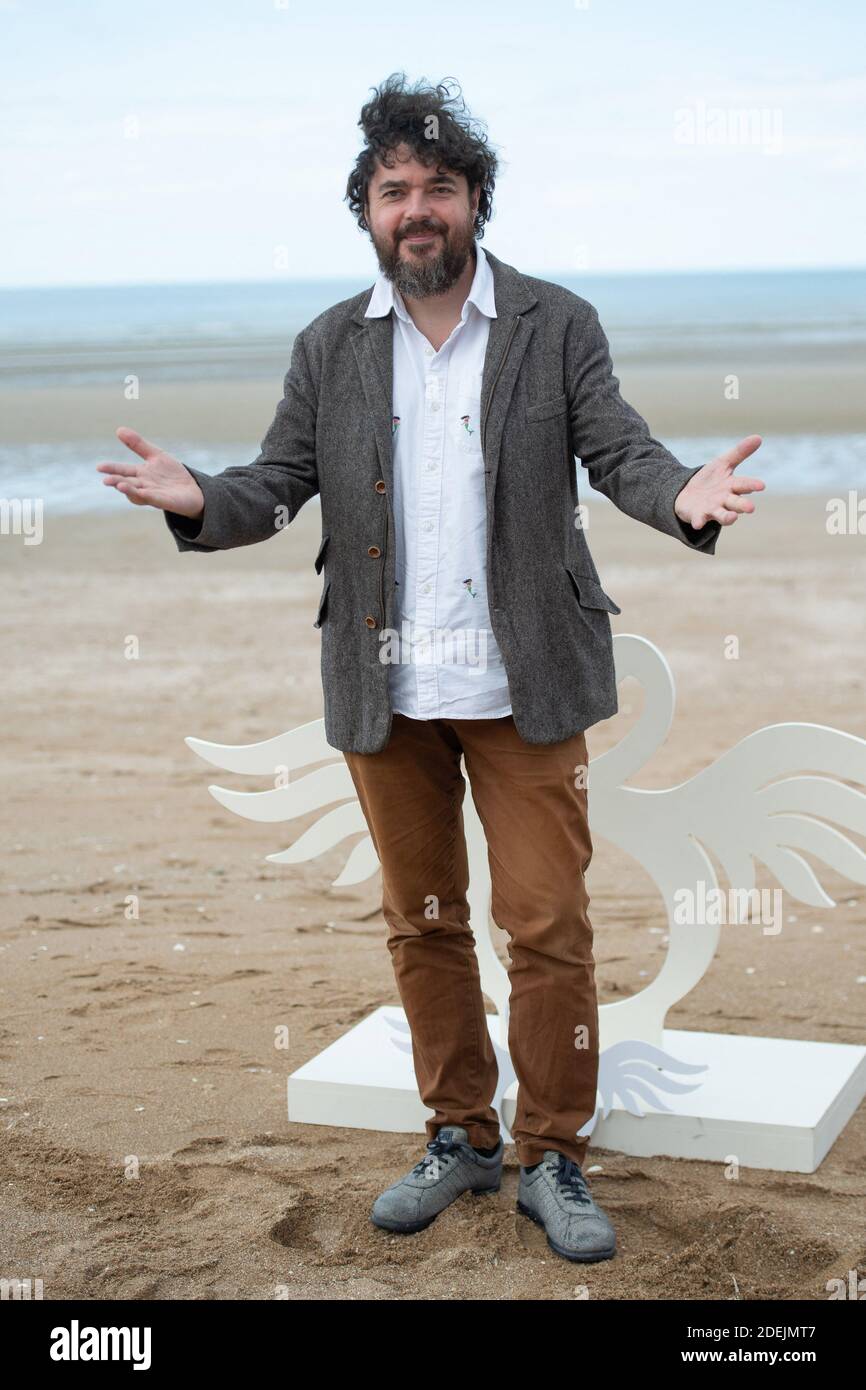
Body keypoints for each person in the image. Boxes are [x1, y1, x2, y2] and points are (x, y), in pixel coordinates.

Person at [97, 72, 764, 1264]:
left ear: (475, 204)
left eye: (439, 187)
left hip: (524, 685)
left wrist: (683, 497)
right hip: (385, 689)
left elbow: (619, 450)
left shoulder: (555, 325)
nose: (417, 207)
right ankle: (458, 1131)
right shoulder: (330, 345)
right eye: (393, 189)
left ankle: (549, 1153)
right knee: (422, 923)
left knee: (548, 924)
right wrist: (200, 497)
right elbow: (275, 481)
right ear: (365, 211)